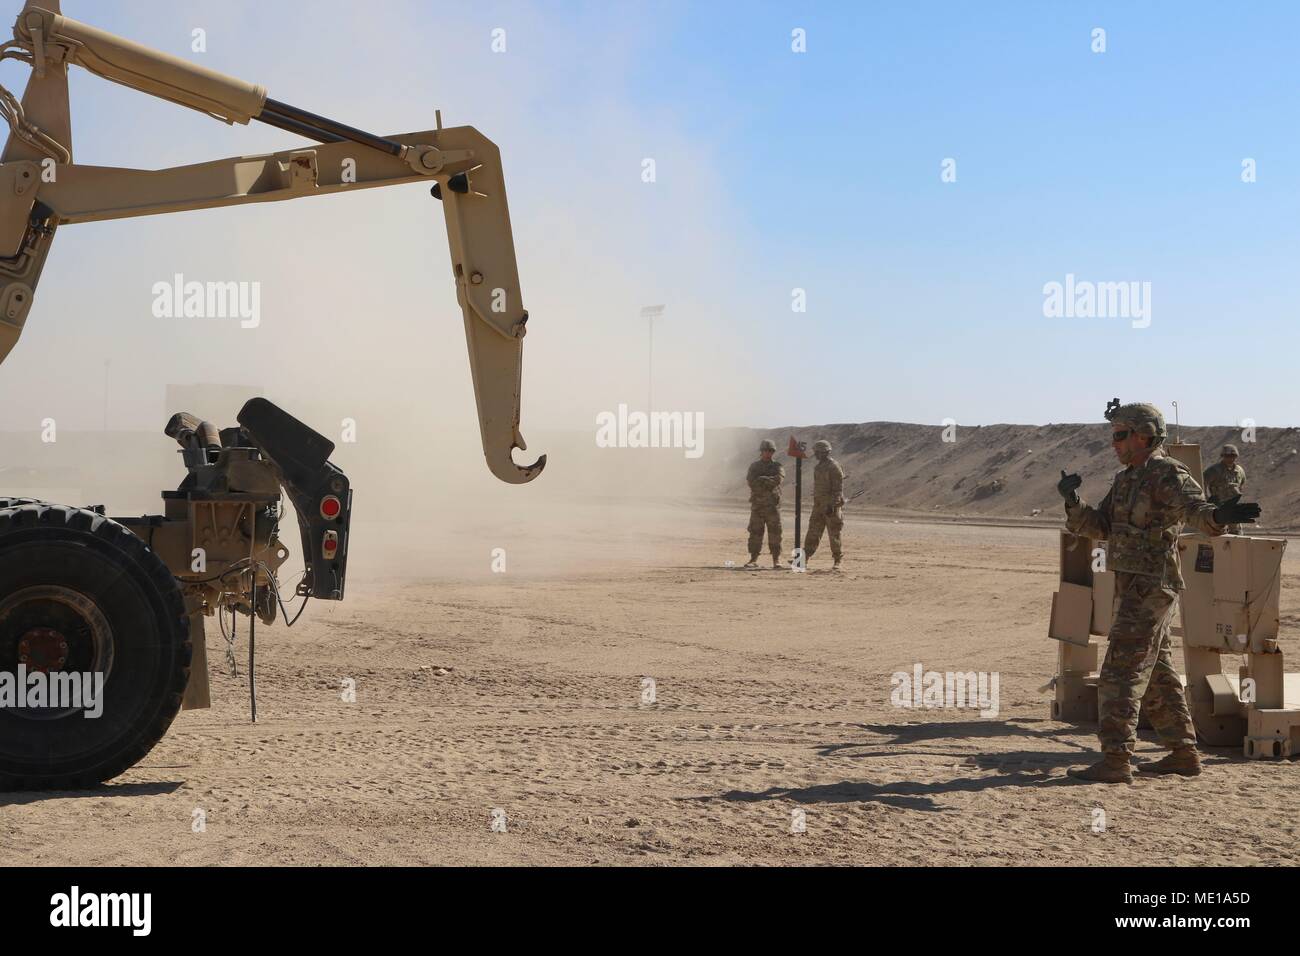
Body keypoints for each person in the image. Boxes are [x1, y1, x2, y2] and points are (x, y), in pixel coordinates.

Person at [1056, 401, 1260, 783]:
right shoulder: (1125, 479)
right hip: (1131, 583)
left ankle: (1116, 760)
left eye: (1120, 435)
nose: (1114, 443)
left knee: (1120, 670)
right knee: (1157, 673)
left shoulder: (1167, 473)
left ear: (1144, 435)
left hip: (1153, 585)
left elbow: (1197, 510)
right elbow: (1102, 526)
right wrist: (1074, 502)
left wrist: (1220, 516)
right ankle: (1184, 754)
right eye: (1113, 435)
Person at [803, 439, 845, 570]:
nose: (815, 455)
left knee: (834, 533)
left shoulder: (834, 467)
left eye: (817, 452)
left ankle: (837, 560)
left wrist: (832, 505)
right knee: (813, 532)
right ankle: (804, 559)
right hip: (818, 506)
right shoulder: (818, 467)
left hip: (831, 507)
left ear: (824, 452)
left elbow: (838, 489)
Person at [744, 439, 784, 569]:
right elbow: (751, 482)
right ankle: (753, 559)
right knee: (755, 533)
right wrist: (765, 480)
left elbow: (777, 480)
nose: (768, 453)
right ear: (761, 452)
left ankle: (776, 560)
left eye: (770, 451)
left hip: (772, 506)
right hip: (758, 506)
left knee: (775, 533)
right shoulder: (754, 466)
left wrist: (762, 479)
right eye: (766, 451)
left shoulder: (777, 466)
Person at [1203, 444, 1247, 534]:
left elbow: (1242, 484)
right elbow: (1202, 483)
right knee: (1217, 532)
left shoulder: (1239, 471)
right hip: (1218, 506)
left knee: (1237, 533)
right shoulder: (1214, 470)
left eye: (1233, 456)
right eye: (1227, 456)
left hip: (1233, 506)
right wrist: (1206, 499)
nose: (1230, 458)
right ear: (1223, 456)